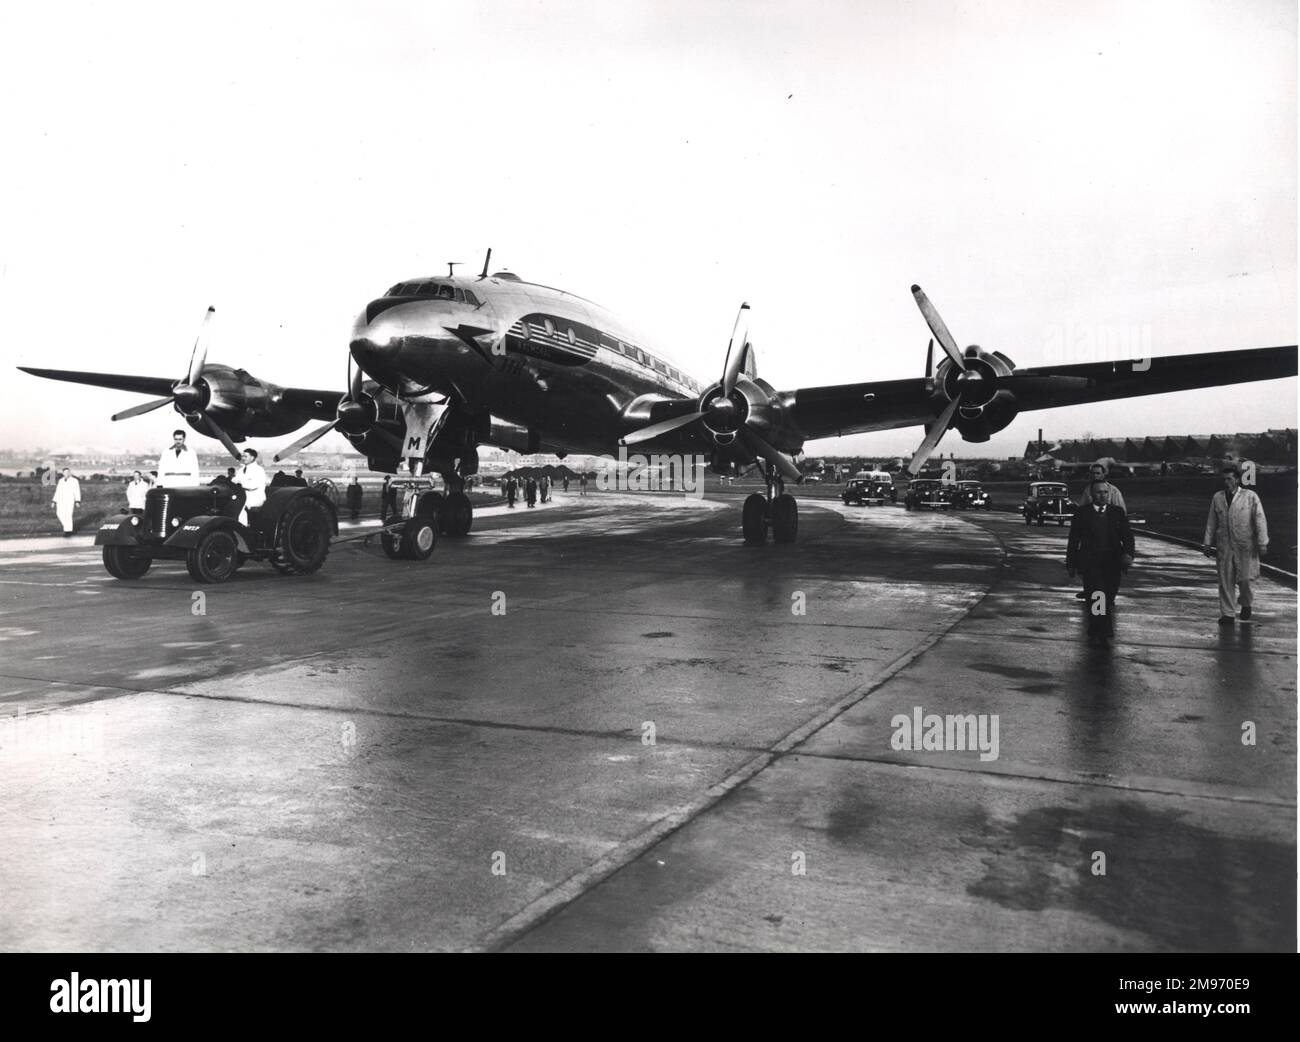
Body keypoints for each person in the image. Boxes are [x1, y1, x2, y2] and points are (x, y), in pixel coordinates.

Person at [1066, 481, 1135, 647]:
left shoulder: (1117, 513)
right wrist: (1071, 563)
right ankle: (1102, 632)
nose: (1102, 495)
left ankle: (1096, 628)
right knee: (1098, 596)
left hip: (1112, 563)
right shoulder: (1082, 513)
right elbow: (1073, 539)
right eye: (1098, 492)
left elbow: (1127, 537)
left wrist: (1128, 554)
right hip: (1091, 563)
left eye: (1105, 492)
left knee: (1108, 597)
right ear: (1091, 495)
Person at [1202, 463, 1269, 625]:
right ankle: (1228, 614)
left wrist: (1262, 542)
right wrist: (1207, 542)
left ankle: (1246, 603)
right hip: (1224, 544)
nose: (1226, 482)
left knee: (1246, 579)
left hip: (1246, 545)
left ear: (1237, 479)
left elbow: (1260, 520)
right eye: (1224, 479)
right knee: (1225, 579)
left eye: (1229, 479)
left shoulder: (1250, 496)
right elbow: (1212, 521)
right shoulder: (1217, 497)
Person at [1075, 461, 1127, 599]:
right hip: (1092, 541)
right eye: (1092, 473)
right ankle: (1096, 603)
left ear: (1104, 474)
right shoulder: (1088, 490)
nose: (1095, 476)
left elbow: (1121, 513)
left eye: (1098, 473)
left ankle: (1103, 604)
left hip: (1109, 539)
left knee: (1107, 582)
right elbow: (1082, 510)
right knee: (1093, 577)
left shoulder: (1114, 491)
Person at [232, 448, 267, 526]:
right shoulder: (241, 470)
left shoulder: (259, 470)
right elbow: (234, 480)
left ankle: (242, 528)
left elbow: (253, 485)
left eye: (245, 456)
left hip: (255, 497)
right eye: (242, 456)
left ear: (252, 458)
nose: (243, 458)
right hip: (243, 495)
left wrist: (240, 482)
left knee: (239, 507)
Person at [51, 467, 81, 536]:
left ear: (70, 473)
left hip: (69, 500)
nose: (66, 473)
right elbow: (57, 491)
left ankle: (68, 531)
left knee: (68, 515)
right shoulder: (60, 481)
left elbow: (77, 491)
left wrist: (77, 501)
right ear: (63, 473)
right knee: (59, 513)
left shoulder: (74, 481)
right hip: (60, 500)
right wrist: (54, 501)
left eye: (68, 472)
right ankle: (67, 528)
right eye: (65, 472)